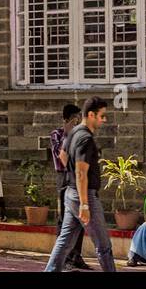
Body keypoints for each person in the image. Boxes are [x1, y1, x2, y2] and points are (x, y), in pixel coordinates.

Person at [45, 96, 116, 272]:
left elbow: (62, 156)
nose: (104, 120)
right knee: (103, 245)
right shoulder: (85, 138)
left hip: (70, 193)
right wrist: (84, 204)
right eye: (102, 116)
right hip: (85, 196)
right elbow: (81, 172)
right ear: (91, 114)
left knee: (64, 242)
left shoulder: (74, 132)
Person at [49, 104, 89, 270]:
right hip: (63, 177)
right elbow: (61, 154)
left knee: (80, 218)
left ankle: (76, 256)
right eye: (75, 119)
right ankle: (63, 259)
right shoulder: (57, 134)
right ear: (67, 119)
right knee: (64, 218)